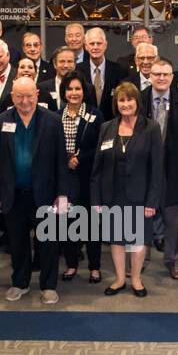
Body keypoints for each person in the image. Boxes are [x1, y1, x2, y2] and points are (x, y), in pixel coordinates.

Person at [0, 77, 71, 305]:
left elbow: (61, 161)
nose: (24, 101)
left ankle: (48, 286)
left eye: (29, 96)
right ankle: (20, 283)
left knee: (48, 243)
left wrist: (62, 194)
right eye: (19, 96)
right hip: (13, 194)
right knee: (17, 242)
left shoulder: (53, 121)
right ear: (12, 96)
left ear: (36, 94)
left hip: (45, 194)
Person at [91, 82, 164, 298]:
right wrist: (96, 200)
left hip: (140, 196)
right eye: (121, 100)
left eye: (129, 99)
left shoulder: (151, 128)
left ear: (137, 102)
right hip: (112, 194)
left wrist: (152, 201)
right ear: (116, 103)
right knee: (116, 239)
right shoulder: (107, 127)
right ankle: (120, 278)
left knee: (137, 239)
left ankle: (137, 279)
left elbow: (157, 169)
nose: (125, 104)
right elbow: (97, 168)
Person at [139, 58, 178, 280]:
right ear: (150, 76)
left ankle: (175, 260)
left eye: (165, 74)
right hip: (144, 170)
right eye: (157, 74)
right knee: (143, 217)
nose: (161, 78)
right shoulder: (139, 100)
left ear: (172, 77)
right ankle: (141, 258)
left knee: (174, 220)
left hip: (175, 171)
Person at [57, 70, 102, 283]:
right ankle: (72, 264)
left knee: (91, 224)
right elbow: (51, 146)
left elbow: (101, 146)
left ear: (84, 91)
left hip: (88, 178)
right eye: (70, 89)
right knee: (67, 223)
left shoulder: (95, 114)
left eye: (78, 88)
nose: (74, 93)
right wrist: (67, 157)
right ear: (64, 92)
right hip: (64, 180)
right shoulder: (56, 116)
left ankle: (94, 267)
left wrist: (80, 158)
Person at [79, 27, 125, 119]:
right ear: (86, 46)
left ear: (105, 45)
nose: (95, 47)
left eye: (99, 43)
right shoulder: (77, 70)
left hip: (112, 124)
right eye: (92, 44)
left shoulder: (119, 70)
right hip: (85, 124)